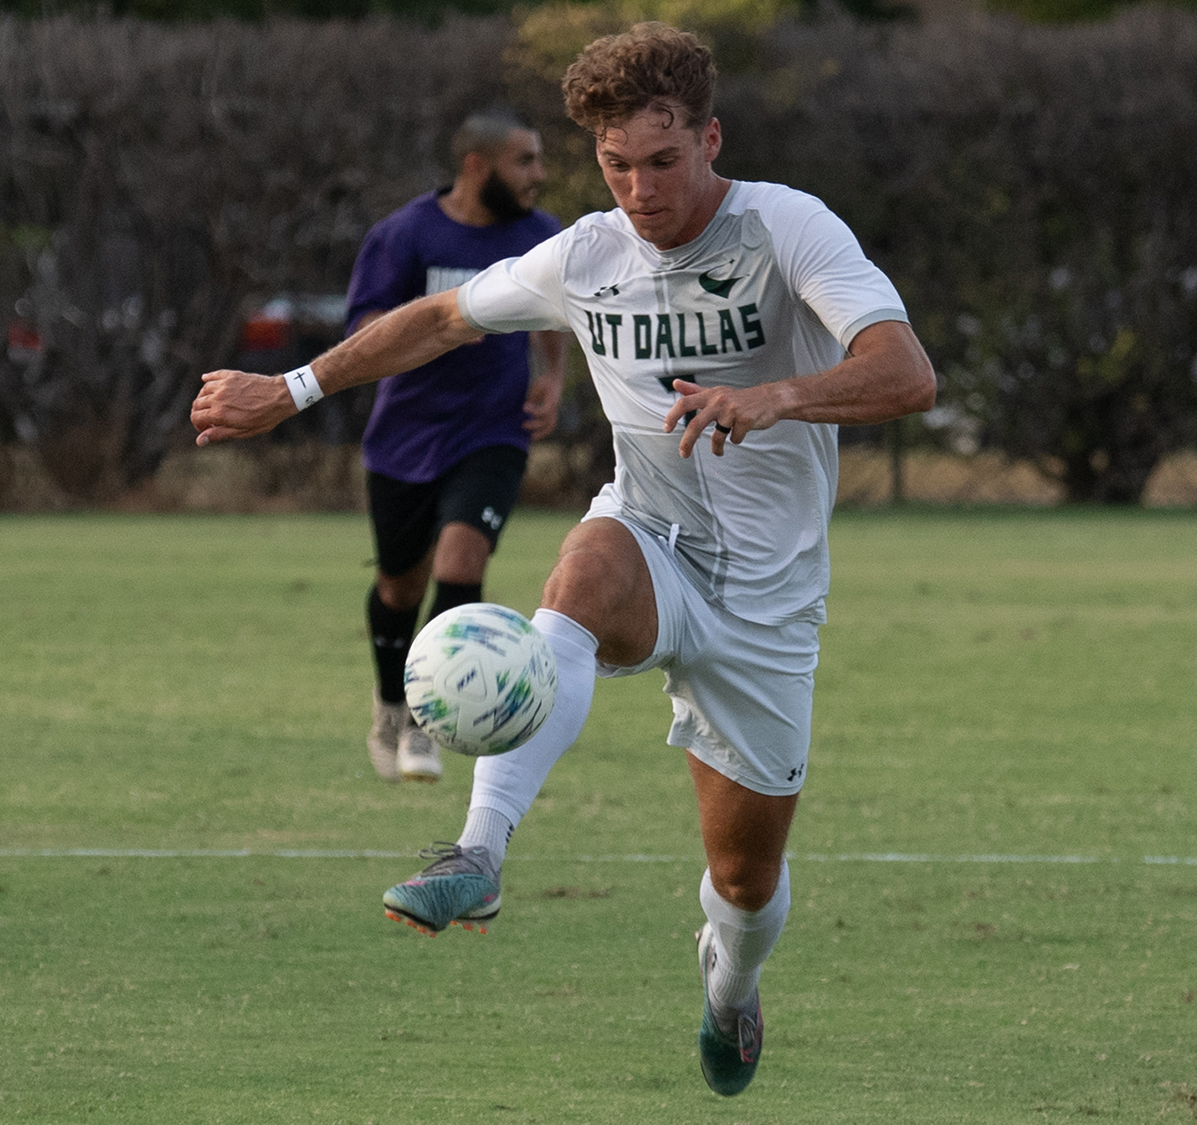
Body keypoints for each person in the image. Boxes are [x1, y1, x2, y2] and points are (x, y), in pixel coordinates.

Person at [192, 23, 935, 1096]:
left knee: (742, 878)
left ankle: (728, 992)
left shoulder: (786, 229)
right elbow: (443, 319)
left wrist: (774, 395)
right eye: (615, 165)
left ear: (709, 139)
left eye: (663, 161)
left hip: (769, 603)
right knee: (577, 578)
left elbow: (903, 373)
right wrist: (292, 390)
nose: (639, 190)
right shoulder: (585, 255)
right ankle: (477, 855)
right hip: (652, 540)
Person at [347, 110, 568, 785]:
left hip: (493, 430)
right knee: (399, 585)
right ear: (478, 165)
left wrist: (551, 375)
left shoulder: (542, 237)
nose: (538, 174)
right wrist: (439, 322)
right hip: (405, 438)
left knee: (462, 554)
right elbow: (362, 324)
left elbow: (559, 309)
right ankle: (390, 705)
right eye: (524, 160)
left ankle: (426, 718)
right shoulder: (407, 234)